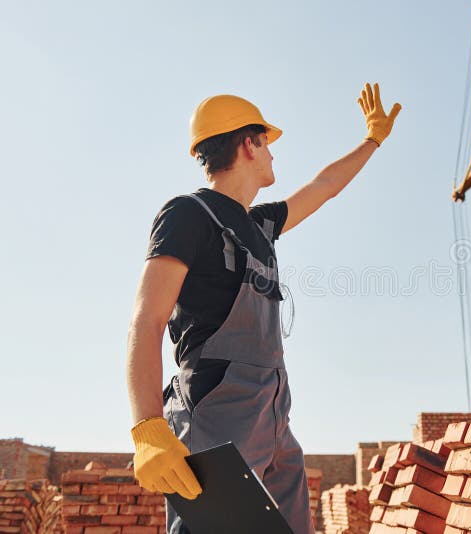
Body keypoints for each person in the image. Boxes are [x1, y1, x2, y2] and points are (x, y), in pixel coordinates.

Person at [125, 83, 401, 534]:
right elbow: (146, 318)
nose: (273, 154)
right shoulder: (188, 214)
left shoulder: (261, 224)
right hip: (217, 407)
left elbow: (325, 186)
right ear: (248, 143)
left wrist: (371, 140)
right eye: (267, 143)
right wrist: (148, 427)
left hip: (273, 410)